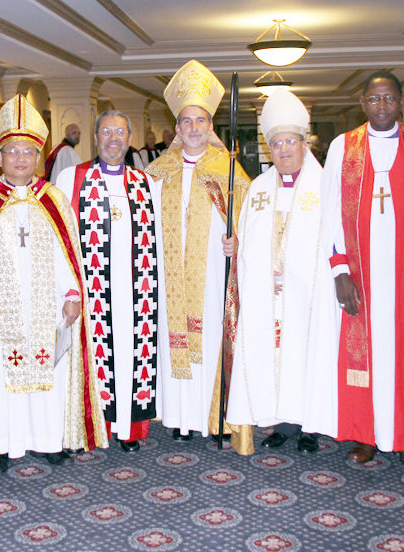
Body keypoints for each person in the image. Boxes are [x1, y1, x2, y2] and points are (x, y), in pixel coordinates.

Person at [0, 94, 107, 467]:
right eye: (13, 151)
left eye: (28, 151)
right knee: (4, 374)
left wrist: (74, 293)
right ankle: (4, 445)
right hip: (1, 311)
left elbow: (68, 255)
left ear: (39, 156)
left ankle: (48, 440)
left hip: (48, 307)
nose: (21, 159)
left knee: (51, 370)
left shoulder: (54, 200)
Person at [321, 70, 404, 465]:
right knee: (362, 357)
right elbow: (330, 214)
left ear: (401, 100)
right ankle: (365, 435)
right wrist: (339, 271)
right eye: (374, 100)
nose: (382, 106)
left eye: (389, 98)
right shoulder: (343, 147)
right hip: (361, 272)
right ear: (363, 104)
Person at [146, 59, 253, 454]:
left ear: (211, 127)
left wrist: (238, 242)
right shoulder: (157, 172)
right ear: (177, 128)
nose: (193, 128)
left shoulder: (229, 170)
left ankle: (211, 417)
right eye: (187, 121)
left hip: (211, 274)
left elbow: (248, 220)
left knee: (208, 339)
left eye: (201, 121)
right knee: (171, 338)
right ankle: (179, 418)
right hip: (170, 276)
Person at [226, 89, 339, 453]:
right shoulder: (258, 188)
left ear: (305, 144)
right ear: (268, 149)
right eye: (277, 143)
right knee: (271, 355)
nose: (284, 149)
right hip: (267, 294)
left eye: (291, 141)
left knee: (305, 355)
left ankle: (309, 425)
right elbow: (250, 238)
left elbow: (336, 240)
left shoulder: (324, 187)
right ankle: (281, 422)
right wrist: (239, 248)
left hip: (309, 295)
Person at [56, 110, 164, 453]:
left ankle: (128, 428)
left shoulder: (145, 182)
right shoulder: (72, 178)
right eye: (106, 132)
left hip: (136, 290)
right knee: (90, 356)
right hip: (91, 290)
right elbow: (60, 235)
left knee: (132, 356)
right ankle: (89, 427)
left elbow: (159, 238)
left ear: (129, 139)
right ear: (96, 136)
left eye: (120, 132)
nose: (113, 139)